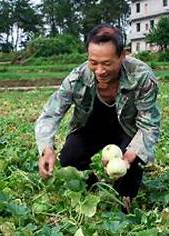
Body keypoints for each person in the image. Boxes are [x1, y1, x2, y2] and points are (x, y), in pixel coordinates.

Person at [34, 24, 161, 207]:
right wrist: (46, 149)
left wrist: (127, 158)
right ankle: (92, 186)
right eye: (93, 62)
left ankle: (124, 198)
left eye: (107, 63)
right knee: (69, 157)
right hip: (91, 128)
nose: (100, 70)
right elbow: (50, 114)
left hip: (127, 130)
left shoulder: (142, 78)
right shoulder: (77, 78)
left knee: (129, 174)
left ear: (123, 55)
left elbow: (149, 126)